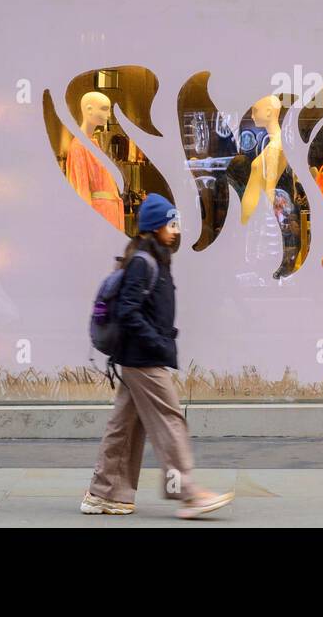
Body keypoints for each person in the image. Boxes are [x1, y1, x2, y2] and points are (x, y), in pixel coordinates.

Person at [81, 193, 235, 520]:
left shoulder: (152, 257)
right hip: (143, 359)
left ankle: (103, 494)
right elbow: (128, 311)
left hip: (139, 356)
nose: (176, 230)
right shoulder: (142, 262)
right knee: (170, 422)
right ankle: (187, 493)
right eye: (171, 223)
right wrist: (158, 343)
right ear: (155, 226)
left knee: (124, 427)